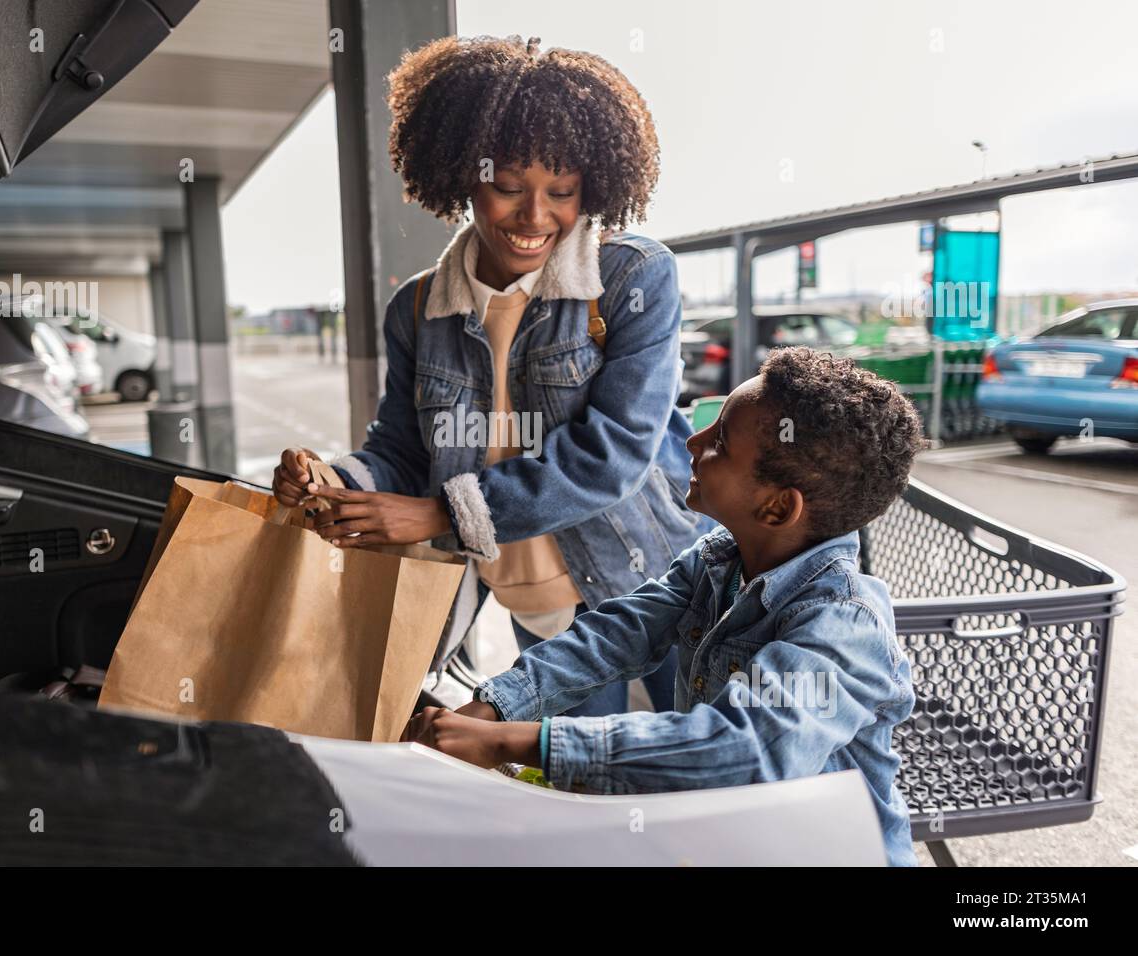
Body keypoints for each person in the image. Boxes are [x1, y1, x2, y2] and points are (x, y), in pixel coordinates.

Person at [273, 34, 710, 716]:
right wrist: (335, 482)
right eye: (507, 189)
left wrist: (440, 513)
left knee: (705, 787)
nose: (535, 217)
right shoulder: (417, 309)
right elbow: (402, 449)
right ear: (461, 178)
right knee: (570, 793)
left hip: (658, 584)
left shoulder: (632, 277)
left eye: (561, 192)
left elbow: (614, 453)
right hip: (530, 608)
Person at [402, 348, 927, 867]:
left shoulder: (843, 624)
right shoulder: (716, 560)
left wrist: (511, 743)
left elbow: (744, 751)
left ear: (777, 506)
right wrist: (497, 706)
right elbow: (614, 636)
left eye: (719, 442)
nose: (690, 442)